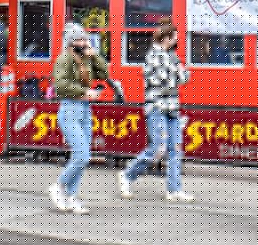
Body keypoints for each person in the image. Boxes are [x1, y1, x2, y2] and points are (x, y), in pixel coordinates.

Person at [119, 24, 193, 203]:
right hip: (156, 108)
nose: (177, 40)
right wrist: (178, 76)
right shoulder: (151, 56)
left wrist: (176, 76)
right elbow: (163, 82)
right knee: (157, 149)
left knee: (175, 149)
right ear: (166, 38)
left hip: (173, 108)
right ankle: (127, 175)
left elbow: (183, 78)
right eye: (175, 37)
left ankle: (174, 190)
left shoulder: (172, 57)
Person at [49, 22, 110, 215]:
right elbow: (60, 86)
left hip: (85, 109)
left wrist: (96, 56)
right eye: (79, 39)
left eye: (84, 38)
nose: (84, 42)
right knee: (82, 155)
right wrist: (85, 91)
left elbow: (105, 74)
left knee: (83, 157)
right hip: (70, 110)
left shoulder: (86, 58)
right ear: (70, 41)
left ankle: (72, 196)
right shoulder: (64, 59)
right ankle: (58, 186)